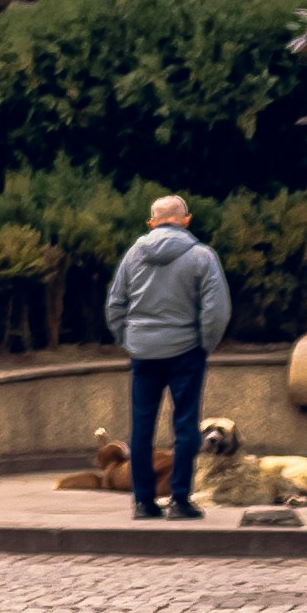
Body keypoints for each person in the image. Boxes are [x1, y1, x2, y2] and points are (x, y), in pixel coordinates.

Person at [106, 192, 235, 518]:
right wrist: (204, 344)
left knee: (142, 426)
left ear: (151, 223)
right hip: (186, 351)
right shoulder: (202, 257)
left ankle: (143, 502)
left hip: (143, 352)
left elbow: (115, 305)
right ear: (186, 220)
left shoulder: (134, 255)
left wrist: (130, 340)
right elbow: (216, 311)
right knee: (186, 424)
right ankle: (180, 500)